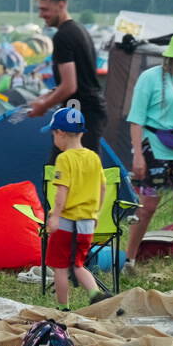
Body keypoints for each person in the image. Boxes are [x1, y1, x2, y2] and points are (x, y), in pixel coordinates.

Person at [124, 33, 173, 275]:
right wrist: (138, 155)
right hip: (155, 147)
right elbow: (136, 120)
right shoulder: (149, 79)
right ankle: (129, 259)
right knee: (148, 205)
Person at [41, 107, 110, 310]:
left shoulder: (64, 159)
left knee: (60, 267)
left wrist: (55, 216)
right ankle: (96, 293)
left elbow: (62, 191)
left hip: (66, 221)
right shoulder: (93, 157)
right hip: (87, 221)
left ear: (60, 133)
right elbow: (103, 187)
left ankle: (63, 308)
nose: (54, 139)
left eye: (53, 134)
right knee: (78, 264)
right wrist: (95, 212)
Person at [28, 0, 107, 157]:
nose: (41, 15)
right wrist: (50, 95)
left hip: (81, 111)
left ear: (61, 5)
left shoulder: (63, 36)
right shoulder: (79, 30)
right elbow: (80, 79)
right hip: (87, 110)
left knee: (77, 169)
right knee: (64, 167)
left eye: (45, 9)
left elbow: (70, 86)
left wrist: (43, 106)